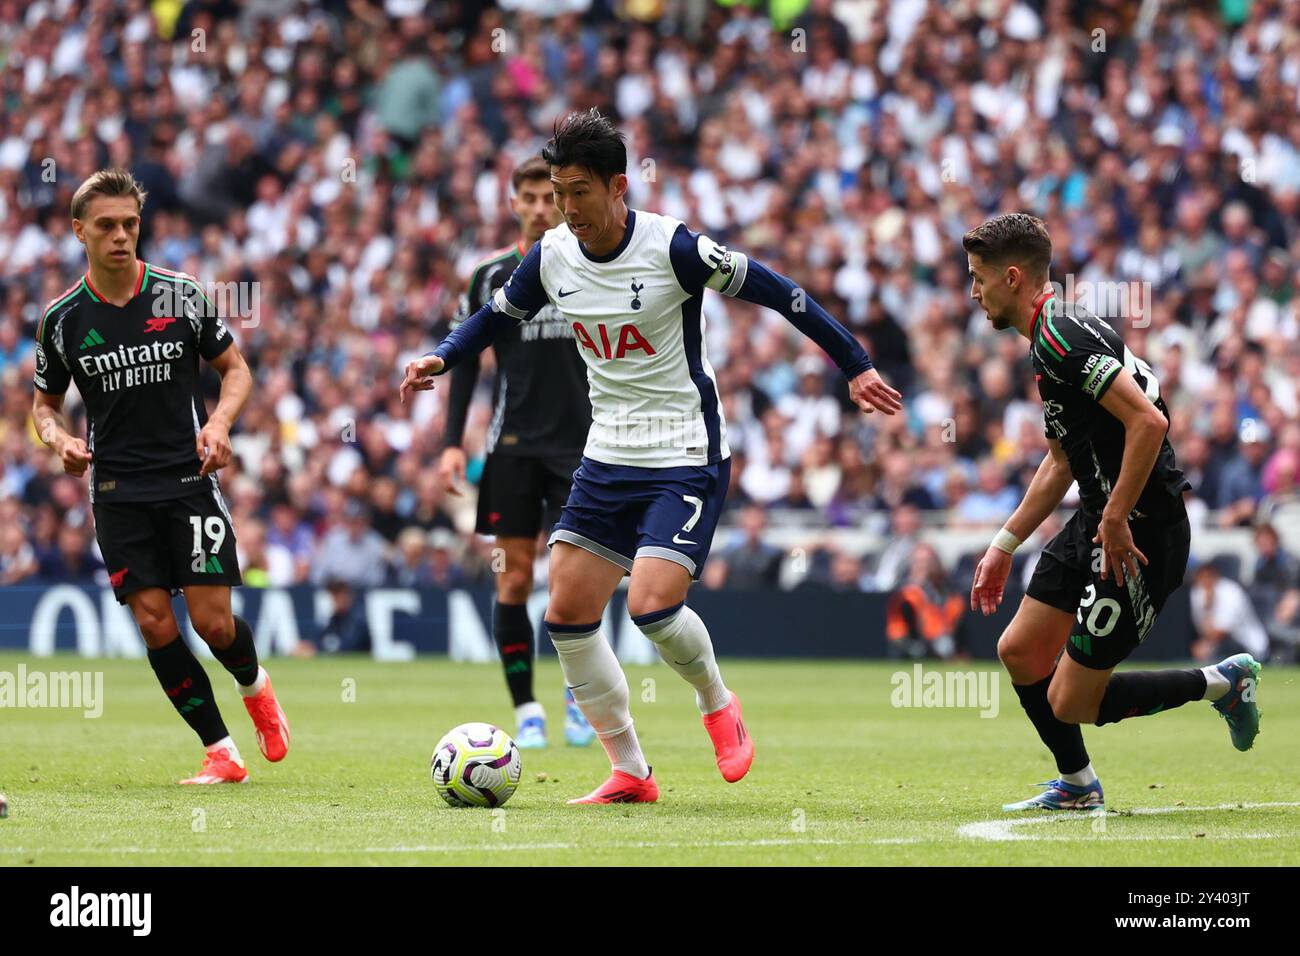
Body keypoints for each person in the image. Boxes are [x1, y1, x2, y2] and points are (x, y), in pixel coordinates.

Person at [402, 110, 902, 804]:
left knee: (651, 606)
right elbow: (496, 317)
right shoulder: (550, 256)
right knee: (567, 617)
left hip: (685, 449)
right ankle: (632, 771)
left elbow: (783, 293)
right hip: (607, 454)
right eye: (557, 190)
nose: (567, 208)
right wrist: (442, 355)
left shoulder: (676, 249)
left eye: (578, 192)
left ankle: (717, 703)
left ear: (616, 187)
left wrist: (854, 363)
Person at [964, 213, 1261, 813]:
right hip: (1103, 519)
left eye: (978, 278)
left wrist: (1117, 517)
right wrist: (1003, 543)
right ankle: (1077, 785)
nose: (974, 292)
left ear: (1013, 278)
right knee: (1020, 650)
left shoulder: (1061, 339)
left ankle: (1225, 683)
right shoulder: (1052, 338)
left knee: (1070, 700)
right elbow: (1059, 463)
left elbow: (1149, 423)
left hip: (1141, 531)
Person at [31, 168, 289, 785]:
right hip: (118, 490)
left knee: (213, 624)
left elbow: (236, 370)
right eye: (107, 226)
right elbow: (42, 404)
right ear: (79, 232)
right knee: (152, 621)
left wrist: (221, 423)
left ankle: (255, 686)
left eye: (130, 224)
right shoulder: (62, 318)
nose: (122, 236)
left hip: (187, 479)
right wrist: (59, 438)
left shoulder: (180, 293)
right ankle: (221, 751)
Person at [438, 156, 594, 750]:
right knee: (513, 578)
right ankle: (527, 708)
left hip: (583, 447)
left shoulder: (589, 264)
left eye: (547, 197)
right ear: (513, 203)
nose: (537, 207)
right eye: (527, 197)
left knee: (576, 583)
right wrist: (453, 443)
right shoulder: (489, 277)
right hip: (511, 447)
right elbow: (464, 361)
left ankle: (578, 702)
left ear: (561, 202)